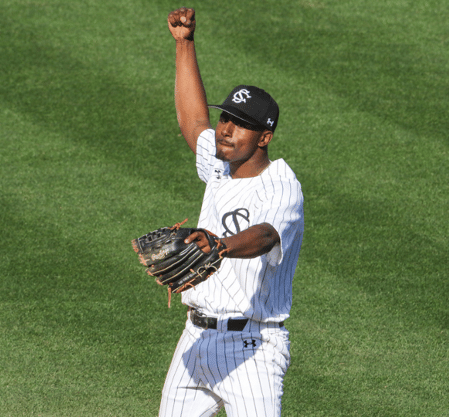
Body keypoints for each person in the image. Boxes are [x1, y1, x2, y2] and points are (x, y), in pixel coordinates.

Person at [158, 7, 305, 417]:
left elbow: (264, 235)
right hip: (195, 339)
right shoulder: (221, 166)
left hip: (252, 349)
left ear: (265, 136)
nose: (225, 129)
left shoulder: (282, 185)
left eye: (240, 123)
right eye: (226, 118)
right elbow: (192, 121)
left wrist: (220, 245)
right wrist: (184, 44)